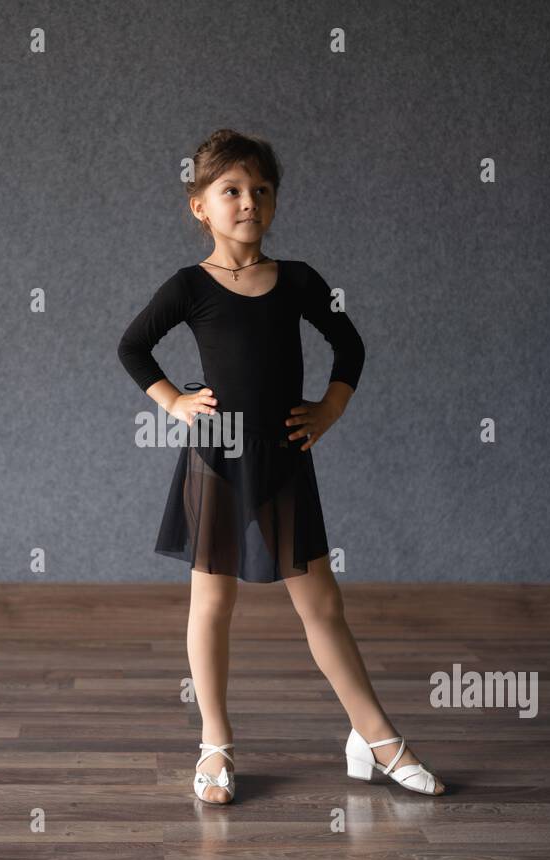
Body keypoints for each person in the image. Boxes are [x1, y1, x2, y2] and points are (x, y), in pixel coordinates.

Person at [116, 128, 446, 804]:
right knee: (212, 603)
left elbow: (349, 347)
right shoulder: (190, 287)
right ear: (200, 207)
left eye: (260, 190)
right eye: (231, 191)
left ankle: (375, 737)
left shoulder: (298, 281)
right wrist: (174, 401)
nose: (248, 202)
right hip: (217, 459)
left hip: (283, 459)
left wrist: (328, 410)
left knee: (322, 605)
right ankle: (215, 744)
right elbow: (132, 347)